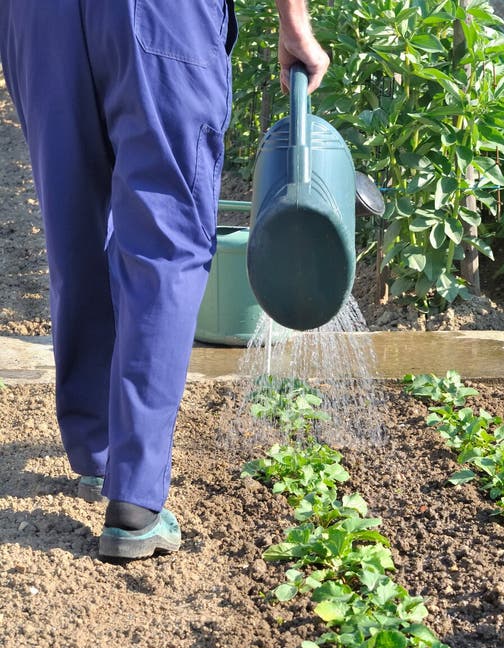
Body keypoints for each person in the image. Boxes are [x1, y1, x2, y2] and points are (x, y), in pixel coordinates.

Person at [0, 0, 329, 560]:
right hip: (156, 16)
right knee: (165, 238)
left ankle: (98, 454)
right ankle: (134, 498)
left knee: (74, 224)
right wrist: (294, 20)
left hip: (38, 16)